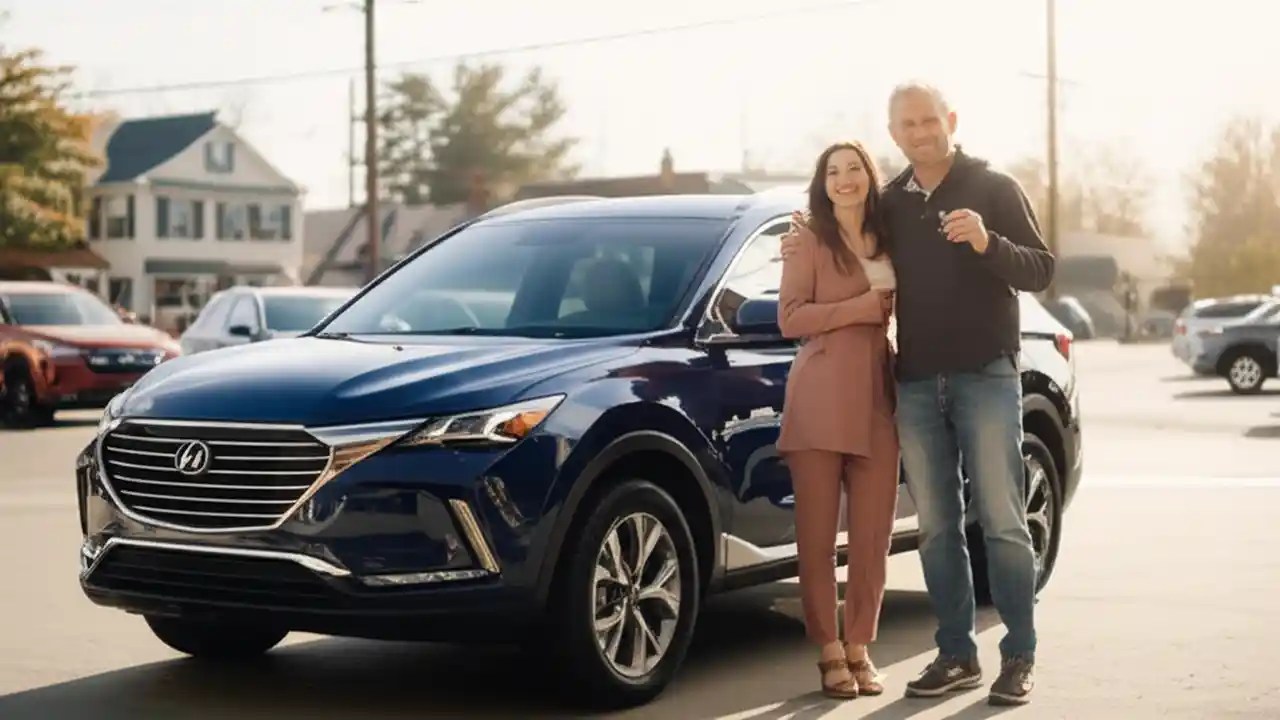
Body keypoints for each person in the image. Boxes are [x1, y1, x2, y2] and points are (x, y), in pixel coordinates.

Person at [782, 82, 1055, 706]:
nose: (920, 131)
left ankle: (1019, 654)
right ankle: (957, 653)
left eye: (929, 120)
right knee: (936, 528)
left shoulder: (994, 187)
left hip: (986, 374)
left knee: (1005, 523)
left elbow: (1041, 268)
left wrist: (988, 242)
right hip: (911, 380)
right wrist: (797, 240)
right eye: (906, 124)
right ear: (894, 132)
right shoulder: (894, 204)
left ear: (949, 120)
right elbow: (842, 235)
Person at [775, 140, 899, 700]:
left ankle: (860, 646)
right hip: (819, 399)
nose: (845, 179)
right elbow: (790, 318)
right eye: (833, 171)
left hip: (879, 399)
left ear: (870, 177)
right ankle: (829, 650)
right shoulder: (806, 240)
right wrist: (862, 309)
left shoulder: (891, 238)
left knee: (874, 537)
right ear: (822, 183)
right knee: (819, 539)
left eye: (854, 169)